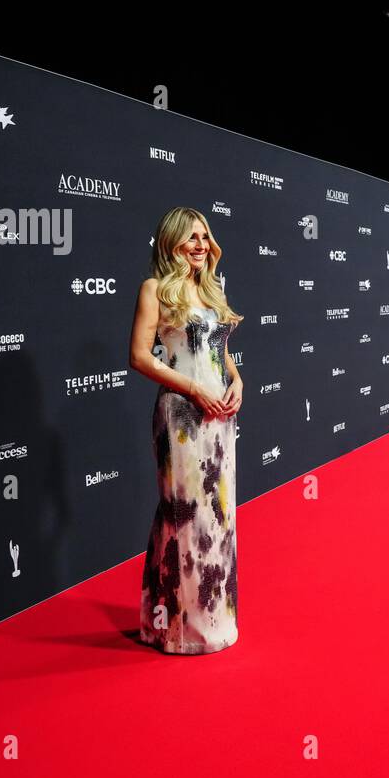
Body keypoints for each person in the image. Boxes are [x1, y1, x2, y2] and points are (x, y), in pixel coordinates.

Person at [128, 206, 245, 654]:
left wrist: (237, 382)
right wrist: (195, 390)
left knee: (218, 515)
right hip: (181, 416)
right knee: (184, 514)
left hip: (220, 415)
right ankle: (175, 628)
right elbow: (141, 356)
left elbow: (220, 351)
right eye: (191, 237)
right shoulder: (155, 289)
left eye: (205, 237)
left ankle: (213, 618)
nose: (200, 245)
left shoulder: (210, 290)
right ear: (172, 242)